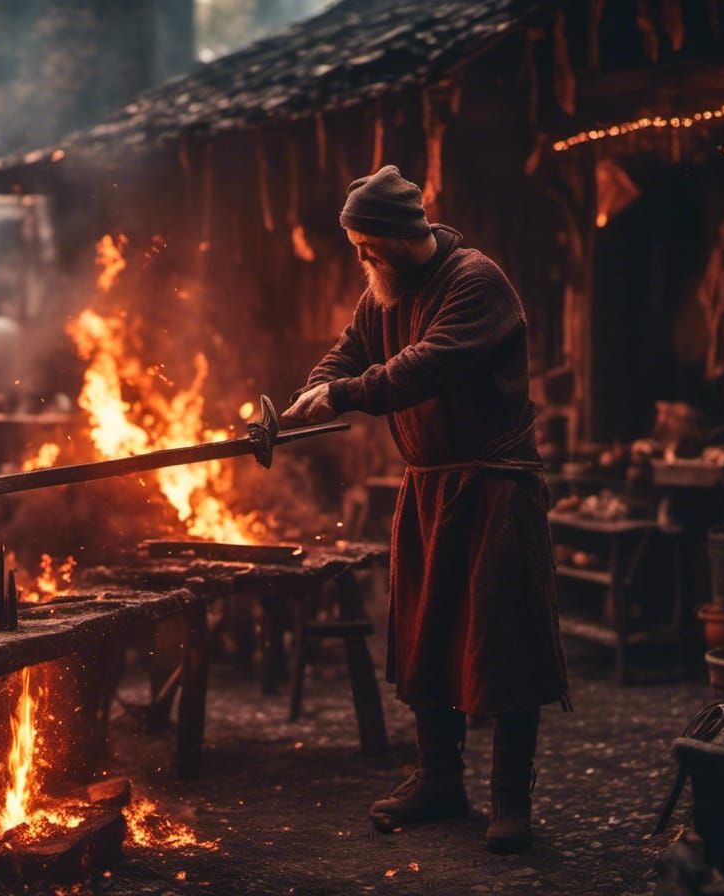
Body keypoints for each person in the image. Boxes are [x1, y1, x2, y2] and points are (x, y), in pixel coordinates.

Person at [282, 166, 569, 854]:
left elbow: (424, 365)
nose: (361, 260)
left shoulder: (476, 282)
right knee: (423, 634)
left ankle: (510, 801)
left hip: (494, 484)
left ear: (403, 235)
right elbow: (348, 352)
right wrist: (315, 390)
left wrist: (346, 396)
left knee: (503, 642)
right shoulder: (381, 291)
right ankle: (440, 780)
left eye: (367, 246)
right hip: (428, 486)